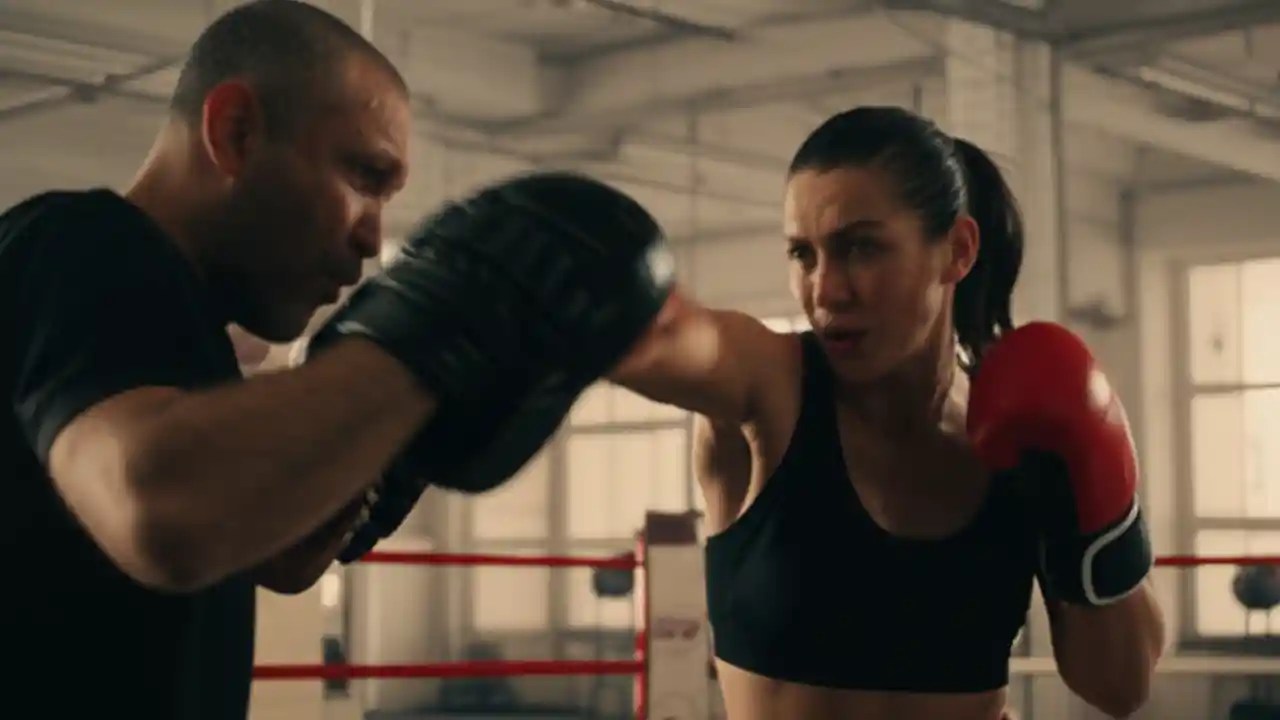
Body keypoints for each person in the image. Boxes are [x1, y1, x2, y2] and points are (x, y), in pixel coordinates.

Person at [1, 1, 671, 718]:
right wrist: (429, 340)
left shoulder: (185, 333)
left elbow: (274, 558)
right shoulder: (78, 245)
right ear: (235, 132)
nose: (373, 237)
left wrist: (394, 441)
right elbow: (162, 511)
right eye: (363, 175)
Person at [610, 106, 1166, 720]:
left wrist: (1095, 488)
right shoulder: (771, 388)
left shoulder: (1016, 437)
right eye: (803, 254)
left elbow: (1121, 686)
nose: (826, 290)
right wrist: (598, 302)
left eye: (861, 248)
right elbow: (688, 345)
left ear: (956, 250)